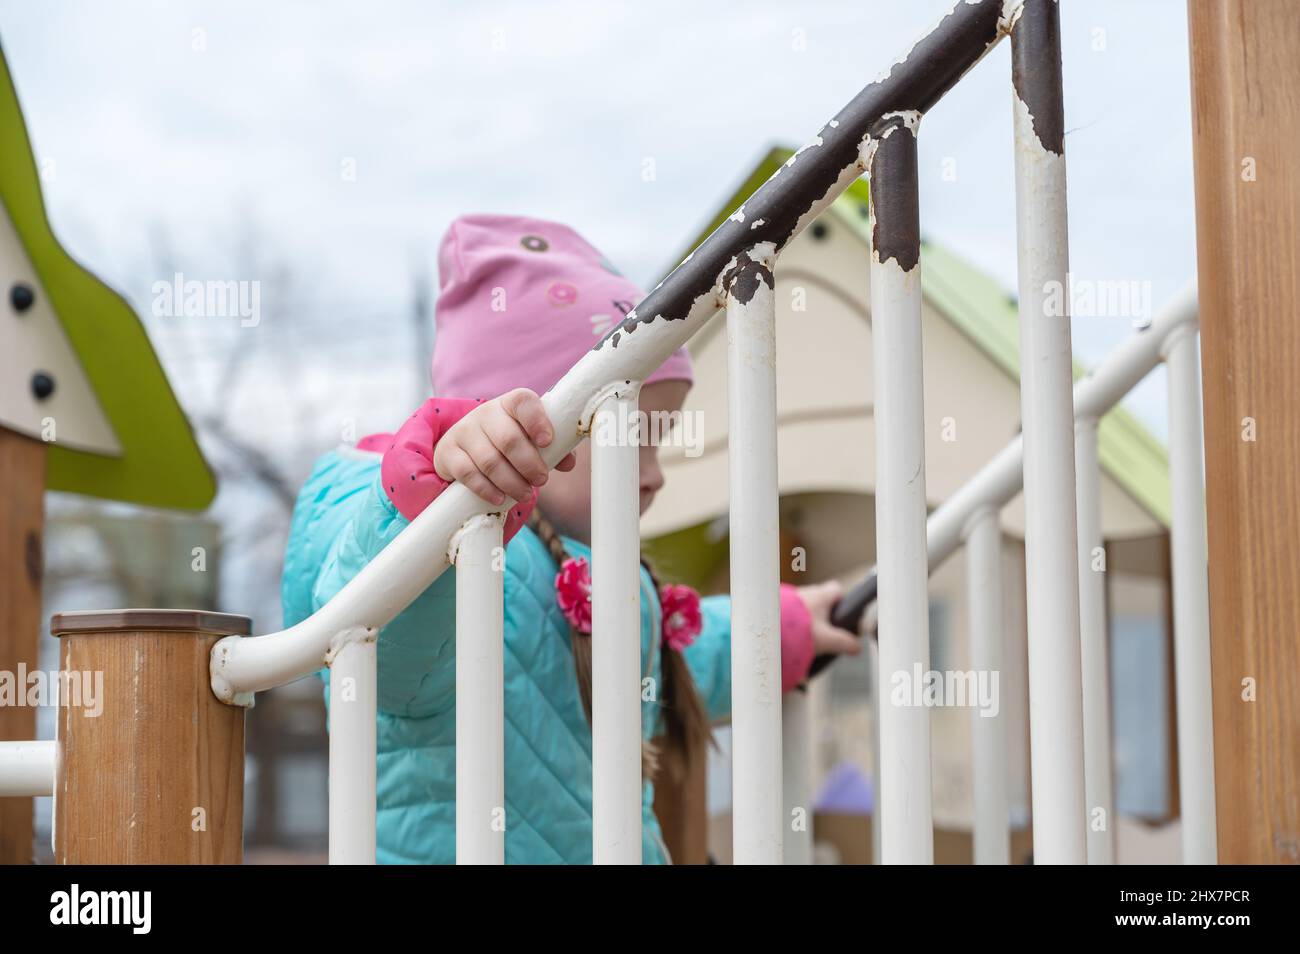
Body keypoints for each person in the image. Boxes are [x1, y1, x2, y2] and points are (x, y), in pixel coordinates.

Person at [281, 213, 860, 863]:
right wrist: (436, 500)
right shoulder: (421, 529)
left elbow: (669, 663)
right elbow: (389, 648)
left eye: (660, 442)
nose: (653, 477)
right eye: (630, 439)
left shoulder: (593, 573)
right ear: (520, 424)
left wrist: (778, 629)